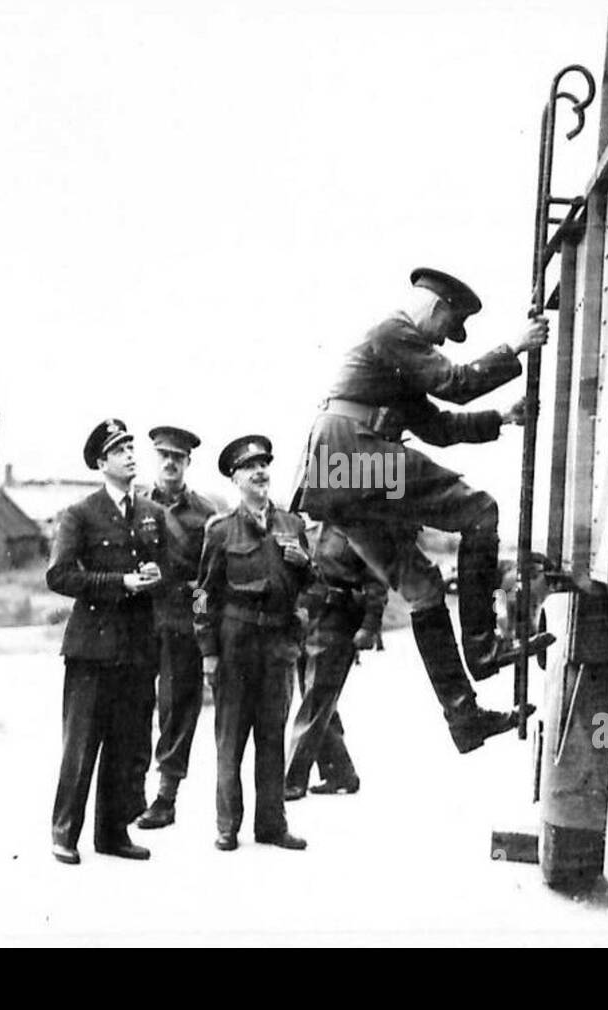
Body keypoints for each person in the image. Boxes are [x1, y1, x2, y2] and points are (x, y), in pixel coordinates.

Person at [291, 267, 553, 754]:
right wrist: (514, 347)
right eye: (446, 329)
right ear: (435, 308)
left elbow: (438, 428)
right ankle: (482, 644)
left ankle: (464, 716)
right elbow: (454, 383)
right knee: (480, 512)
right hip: (353, 457)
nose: (443, 343)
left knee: (423, 587)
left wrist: (502, 417)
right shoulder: (394, 331)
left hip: (337, 474)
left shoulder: (395, 363)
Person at [46, 419, 167, 865]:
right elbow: (59, 575)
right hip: (92, 650)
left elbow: (166, 571)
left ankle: (113, 833)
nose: (131, 456)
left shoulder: (152, 513)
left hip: (137, 648)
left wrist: (154, 577)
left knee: (129, 742)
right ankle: (64, 833)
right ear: (102, 462)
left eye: (132, 448)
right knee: (81, 744)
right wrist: (121, 582)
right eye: (120, 450)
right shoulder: (80, 513)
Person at [194, 435, 311, 852]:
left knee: (272, 738)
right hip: (235, 645)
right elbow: (203, 594)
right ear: (235, 478)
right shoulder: (221, 529)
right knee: (230, 739)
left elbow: (309, 588)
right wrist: (208, 652)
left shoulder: (293, 526)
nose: (260, 473)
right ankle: (227, 826)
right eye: (250, 468)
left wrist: (305, 565)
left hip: (277, 646)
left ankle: (272, 825)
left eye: (264, 465)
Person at [136, 427, 223, 830]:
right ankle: (131, 790)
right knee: (133, 705)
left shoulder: (205, 513)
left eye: (178, 457)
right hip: (137, 620)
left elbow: (209, 584)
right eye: (164, 456)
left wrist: (202, 619)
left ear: (188, 462)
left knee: (176, 710)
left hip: (181, 623)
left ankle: (166, 796)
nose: (170, 463)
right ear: (156, 459)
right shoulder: (134, 505)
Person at [284, 521, 386, 800]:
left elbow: (377, 582)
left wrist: (369, 626)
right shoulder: (301, 529)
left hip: (339, 621)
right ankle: (339, 772)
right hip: (306, 620)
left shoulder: (357, 529)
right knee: (316, 698)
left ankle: (292, 779)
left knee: (316, 699)